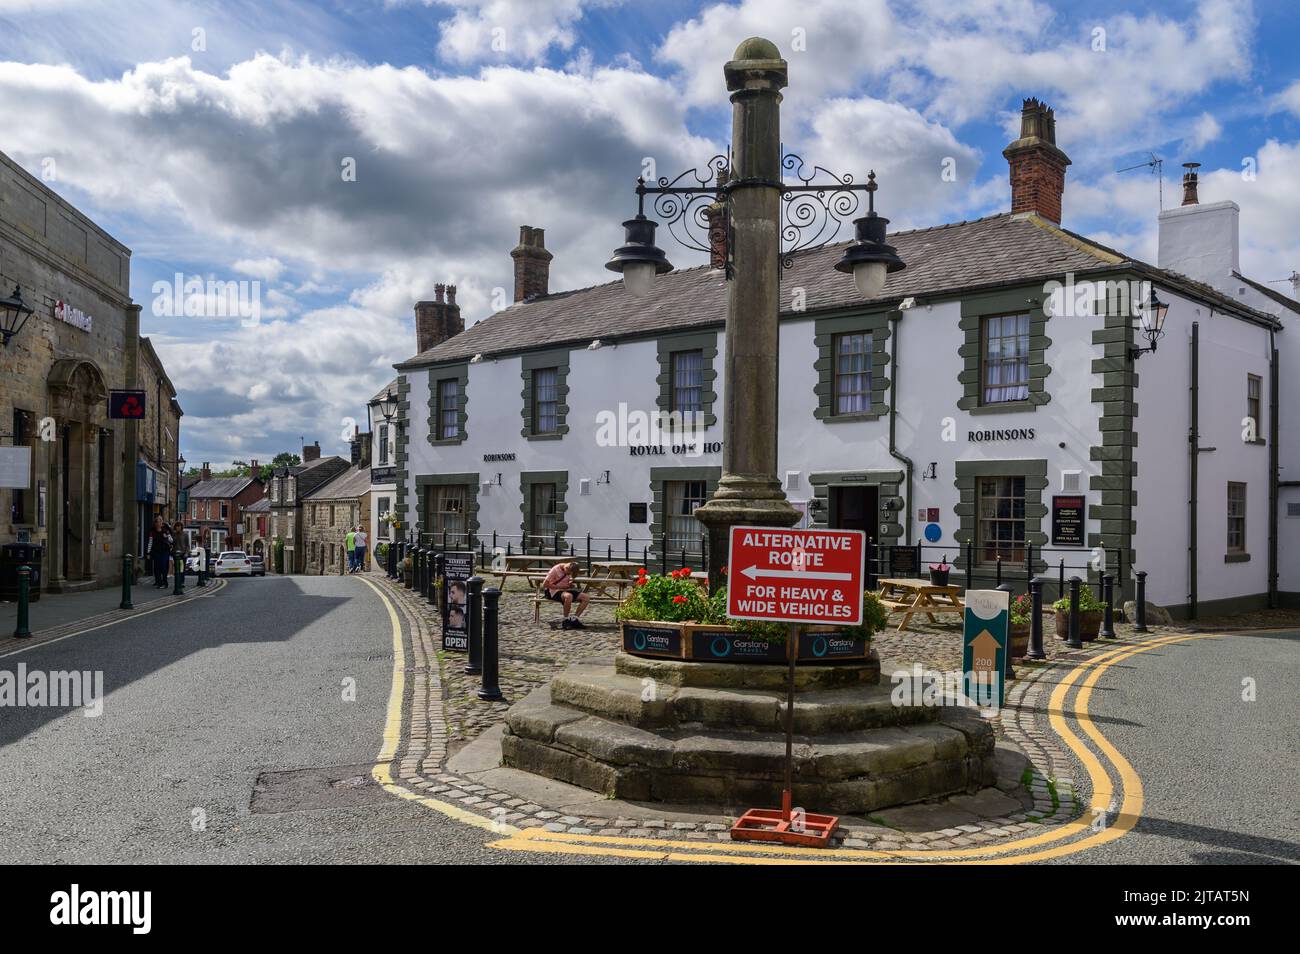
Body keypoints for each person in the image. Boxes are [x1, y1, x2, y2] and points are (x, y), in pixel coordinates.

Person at [541, 560, 588, 629]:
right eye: (569, 573)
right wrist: (561, 587)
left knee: (586, 597)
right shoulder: (555, 569)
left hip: (565, 590)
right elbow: (545, 584)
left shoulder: (569, 570)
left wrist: (569, 584)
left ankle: (574, 619)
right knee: (569, 596)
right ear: (567, 568)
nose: (569, 575)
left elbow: (565, 582)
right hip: (553, 591)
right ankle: (565, 620)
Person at [145, 516, 171, 588]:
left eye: (160, 521)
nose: (159, 523)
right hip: (156, 551)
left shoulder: (165, 530)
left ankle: (164, 582)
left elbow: (171, 540)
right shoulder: (152, 532)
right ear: (155, 523)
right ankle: (159, 582)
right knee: (157, 568)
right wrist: (148, 553)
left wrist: (167, 536)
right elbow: (150, 542)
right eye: (158, 521)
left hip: (165, 551)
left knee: (163, 566)